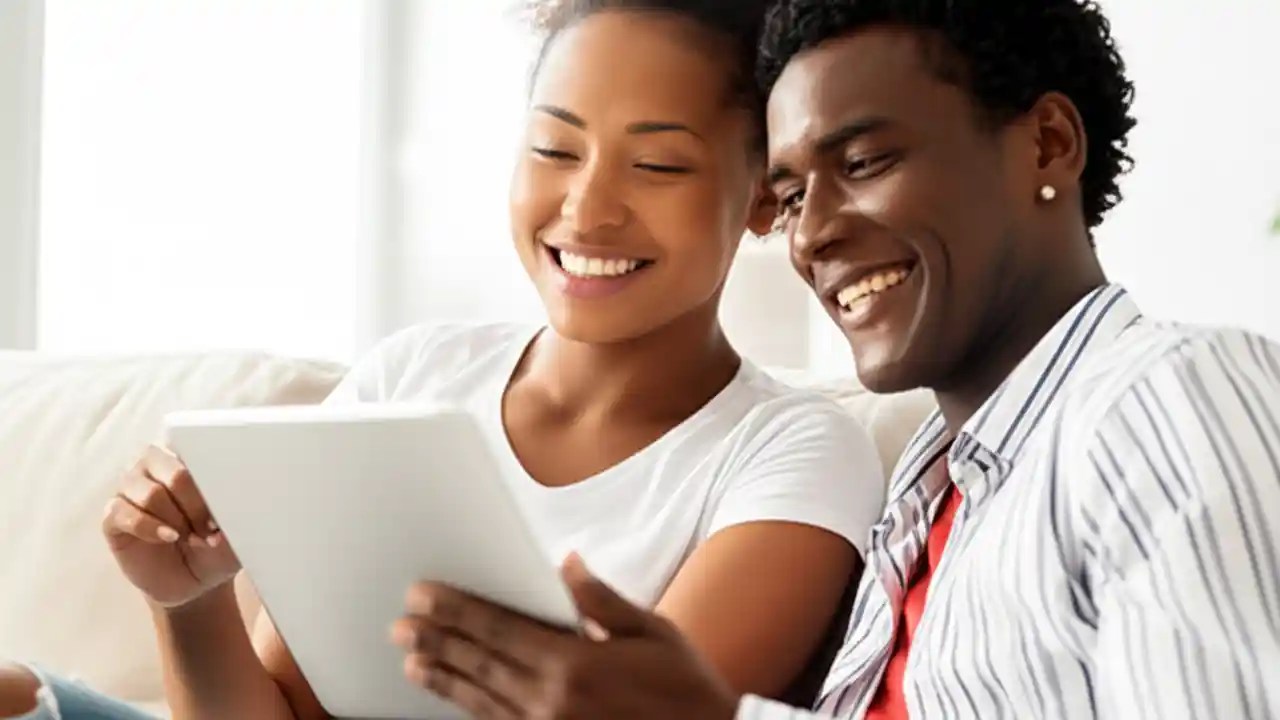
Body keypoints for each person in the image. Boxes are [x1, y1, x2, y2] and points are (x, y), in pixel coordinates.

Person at [381, 1, 1280, 718]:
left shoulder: (1167, 393)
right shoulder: (930, 494)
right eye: (790, 190)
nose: (811, 232)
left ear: (1047, 144)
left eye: (866, 160)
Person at [0, 2, 888, 718]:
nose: (587, 209)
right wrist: (184, 601)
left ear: (765, 203)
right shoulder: (411, 376)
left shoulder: (794, 453)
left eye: (657, 165)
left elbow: (664, 710)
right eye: (553, 149)